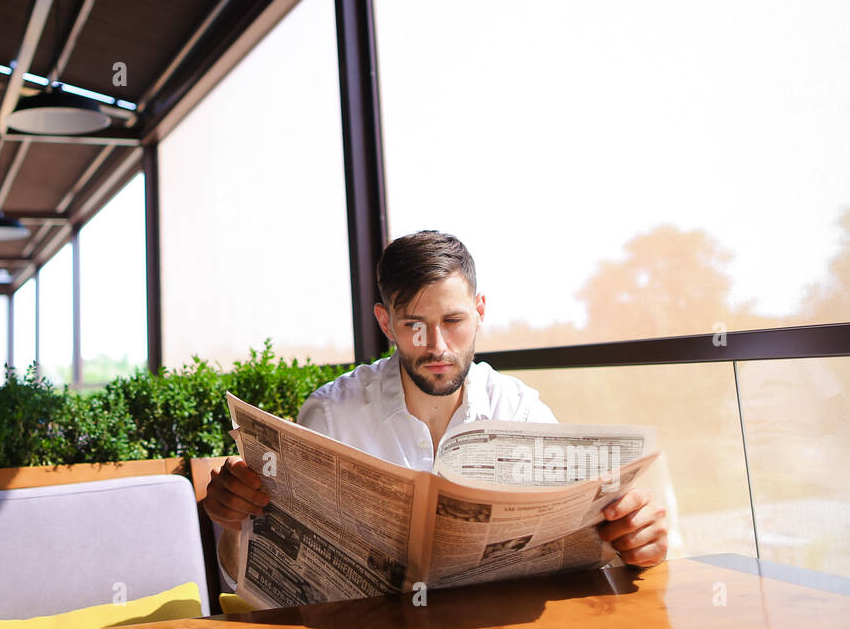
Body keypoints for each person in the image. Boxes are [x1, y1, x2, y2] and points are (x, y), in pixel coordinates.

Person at [203, 230, 670, 590]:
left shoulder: (520, 408)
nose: (438, 346)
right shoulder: (331, 415)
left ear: (480, 311)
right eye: (414, 325)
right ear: (386, 322)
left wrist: (636, 540)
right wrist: (231, 527)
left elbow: (586, 541)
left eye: (453, 321)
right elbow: (252, 573)